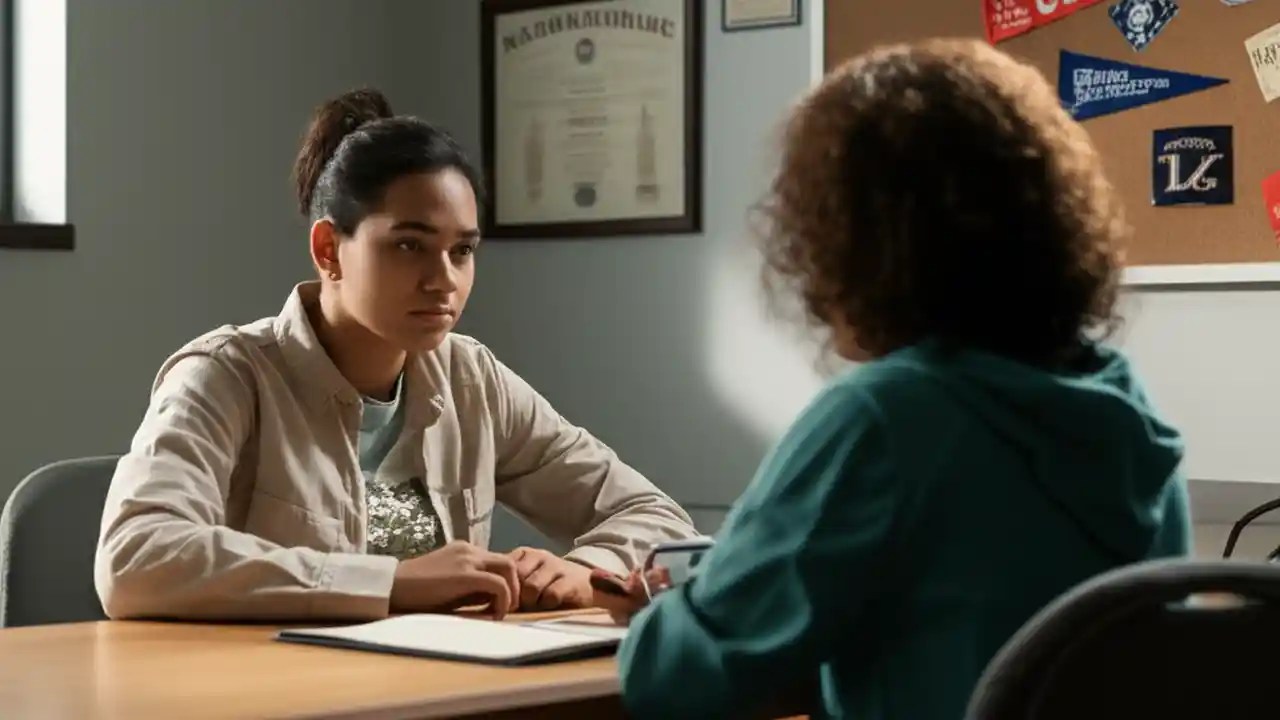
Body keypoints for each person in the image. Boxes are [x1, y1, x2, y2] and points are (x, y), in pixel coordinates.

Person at [601, 39, 1191, 720]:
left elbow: (682, 680)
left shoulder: (886, 416)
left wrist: (663, 617)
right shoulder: (1128, 414)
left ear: (856, 238)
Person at [94, 88, 698, 622]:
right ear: (329, 249)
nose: (444, 280)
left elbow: (655, 516)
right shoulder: (225, 375)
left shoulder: (472, 379)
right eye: (409, 245)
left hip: (438, 693)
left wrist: (583, 570)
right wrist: (388, 583)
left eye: (462, 251)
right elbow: (137, 555)